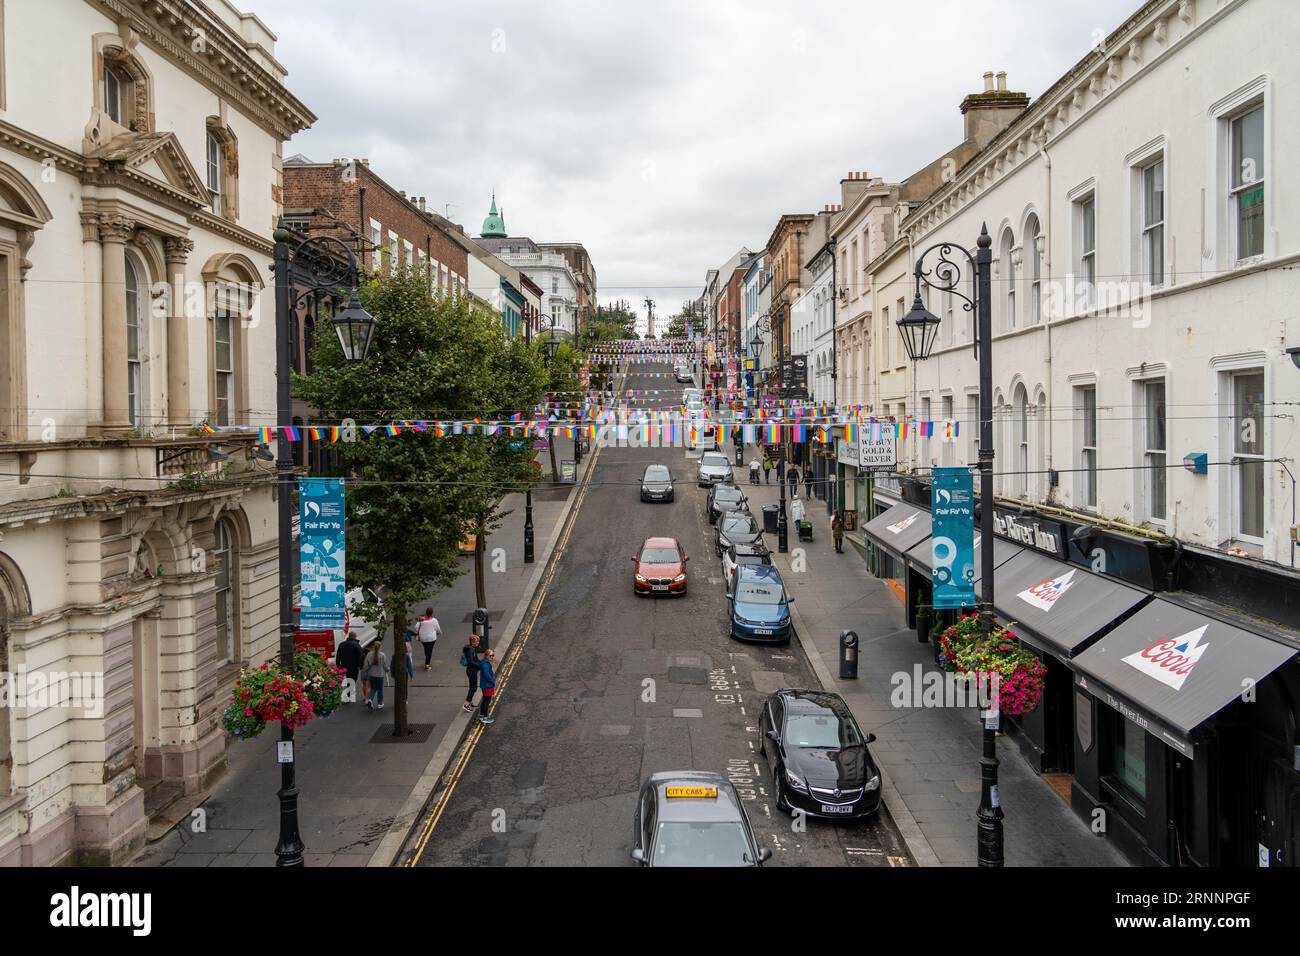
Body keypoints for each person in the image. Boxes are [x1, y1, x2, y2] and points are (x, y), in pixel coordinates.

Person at [334, 632, 363, 704]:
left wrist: (338, 665)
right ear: (355, 637)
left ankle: (346, 695)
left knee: (347, 680)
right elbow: (360, 657)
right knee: (352, 681)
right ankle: (347, 696)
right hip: (353, 667)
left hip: (344, 666)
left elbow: (338, 655)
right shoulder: (357, 645)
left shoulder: (342, 644)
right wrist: (361, 666)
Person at [460, 635, 482, 713]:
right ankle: (466, 704)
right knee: (473, 688)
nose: (478, 643)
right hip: (471, 671)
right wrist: (479, 665)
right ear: (472, 642)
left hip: (473, 670)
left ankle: (470, 702)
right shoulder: (470, 650)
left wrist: (480, 663)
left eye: (478, 641)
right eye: (477, 641)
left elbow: (475, 659)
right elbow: (470, 662)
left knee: (473, 687)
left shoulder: (472, 648)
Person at [364, 642, 388, 711]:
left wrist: (366, 670)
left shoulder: (369, 654)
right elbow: (385, 666)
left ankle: (370, 700)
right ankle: (380, 703)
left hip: (371, 674)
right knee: (380, 689)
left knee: (373, 688)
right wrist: (387, 669)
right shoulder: (382, 655)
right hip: (379, 675)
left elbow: (366, 665)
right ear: (380, 647)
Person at [477, 649, 498, 725]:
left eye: (493, 655)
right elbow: (486, 674)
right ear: (486, 656)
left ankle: (482, 715)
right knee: (487, 701)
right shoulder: (485, 664)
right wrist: (492, 680)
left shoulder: (484, 662)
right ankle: (485, 717)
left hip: (485, 685)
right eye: (490, 656)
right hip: (487, 685)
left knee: (485, 700)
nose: (492, 657)